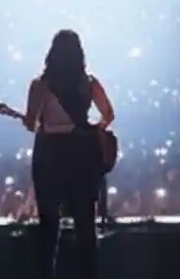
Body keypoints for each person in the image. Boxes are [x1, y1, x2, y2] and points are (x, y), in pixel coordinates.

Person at [23, 29, 115, 279]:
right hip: (83, 155)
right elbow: (108, 115)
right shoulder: (89, 83)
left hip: (50, 155)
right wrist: (91, 130)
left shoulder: (40, 85)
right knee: (86, 226)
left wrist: (36, 121)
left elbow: (32, 123)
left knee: (49, 228)